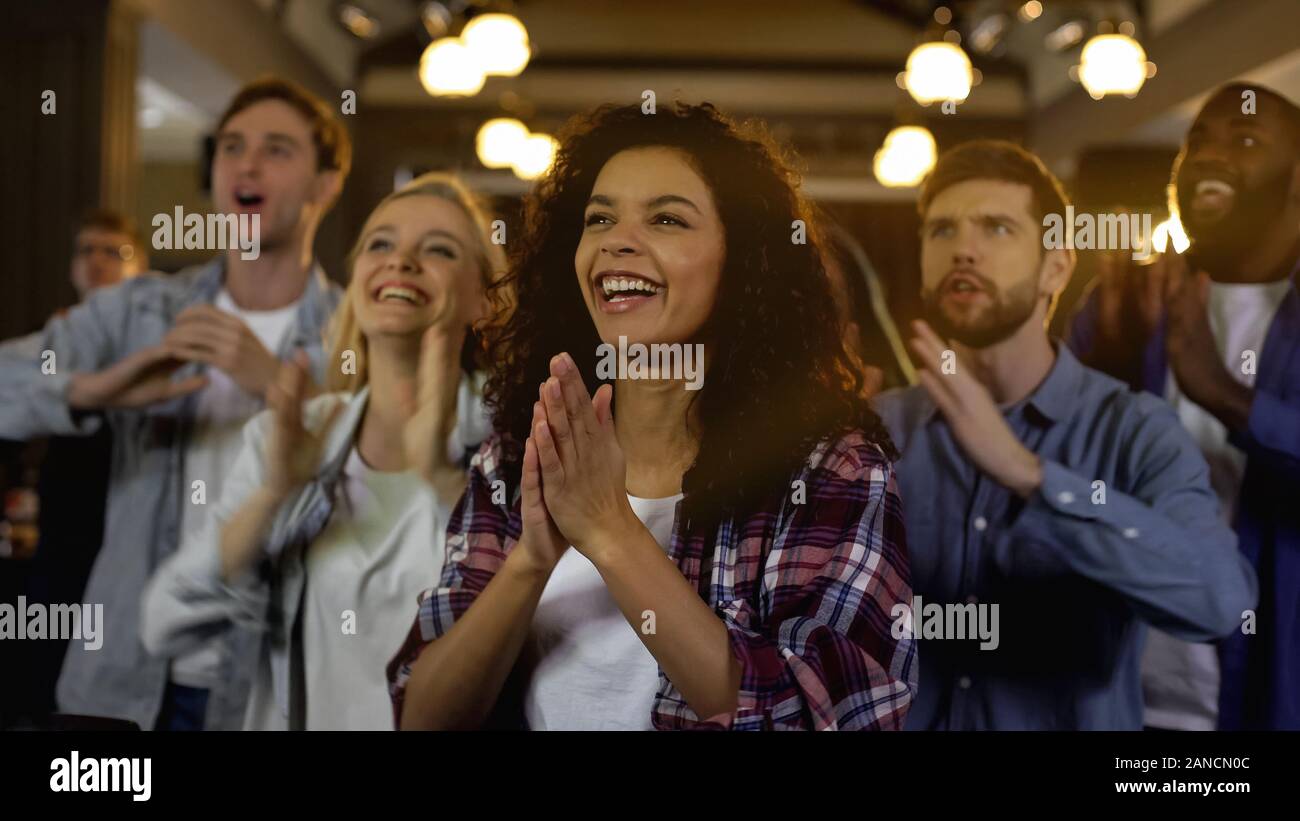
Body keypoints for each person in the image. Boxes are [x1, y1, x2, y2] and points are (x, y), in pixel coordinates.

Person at [389, 102, 915, 731]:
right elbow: (421, 717)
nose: (617, 240)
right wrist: (530, 559)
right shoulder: (516, 453)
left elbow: (817, 718)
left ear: (742, 260)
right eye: (599, 218)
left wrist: (611, 532)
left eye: (667, 219)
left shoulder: (833, 471)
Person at [0, 75, 350, 730]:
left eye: (277, 149)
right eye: (232, 147)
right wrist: (86, 389)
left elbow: (393, 489)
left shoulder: (354, 330)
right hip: (118, 683)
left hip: (271, 693)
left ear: (325, 184)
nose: (246, 162)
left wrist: (277, 383)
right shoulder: (142, 309)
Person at [873, 139, 1256, 730]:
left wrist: (1030, 475)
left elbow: (1219, 600)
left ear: (1057, 265)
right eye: (942, 231)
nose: (963, 250)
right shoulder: (876, 431)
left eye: (996, 228)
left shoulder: (1134, 431)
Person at [140, 174, 499, 730]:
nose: (400, 261)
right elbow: (164, 621)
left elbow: (527, 631)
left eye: (439, 250)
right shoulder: (289, 435)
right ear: (356, 279)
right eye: (381, 244)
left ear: (484, 298)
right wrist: (273, 494)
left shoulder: (519, 447)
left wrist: (439, 477)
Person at [1069, 83, 1300, 730]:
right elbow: (1038, 479)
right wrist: (1100, 377)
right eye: (1196, 141)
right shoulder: (1125, 299)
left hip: (1266, 701)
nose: (1207, 156)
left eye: (1245, 141)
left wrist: (1224, 393)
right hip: (1120, 697)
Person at [12, 211, 145, 725]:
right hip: (62, 538)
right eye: (86, 250)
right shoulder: (52, 343)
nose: (96, 261)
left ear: (140, 270)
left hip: (129, 540)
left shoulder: (152, 344)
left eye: (112, 252)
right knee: (43, 676)